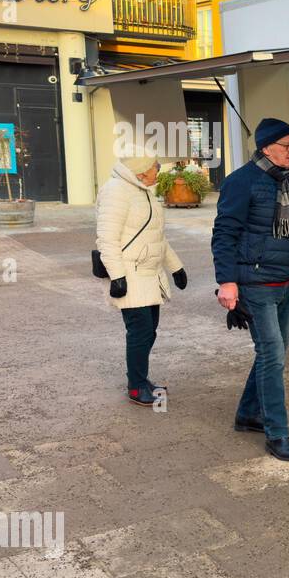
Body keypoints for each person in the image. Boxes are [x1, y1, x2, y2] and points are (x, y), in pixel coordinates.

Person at [212, 118, 289, 461]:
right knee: (273, 355)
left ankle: (247, 413)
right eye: (287, 145)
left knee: (274, 351)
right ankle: (277, 433)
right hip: (256, 283)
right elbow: (224, 234)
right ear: (266, 146)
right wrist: (227, 281)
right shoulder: (241, 182)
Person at [95, 155, 187, 405]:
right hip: (129, 273)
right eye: (155, 166)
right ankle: (135, 386)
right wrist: (117, 276)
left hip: (150, 273)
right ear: (141, 171)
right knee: (140, 331)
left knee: (150, 331)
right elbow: (107, 238)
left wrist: (176, 266)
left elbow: (157, 236)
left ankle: (140, 377)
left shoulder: (145, 190)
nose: (158, 169)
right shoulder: (116, 191)